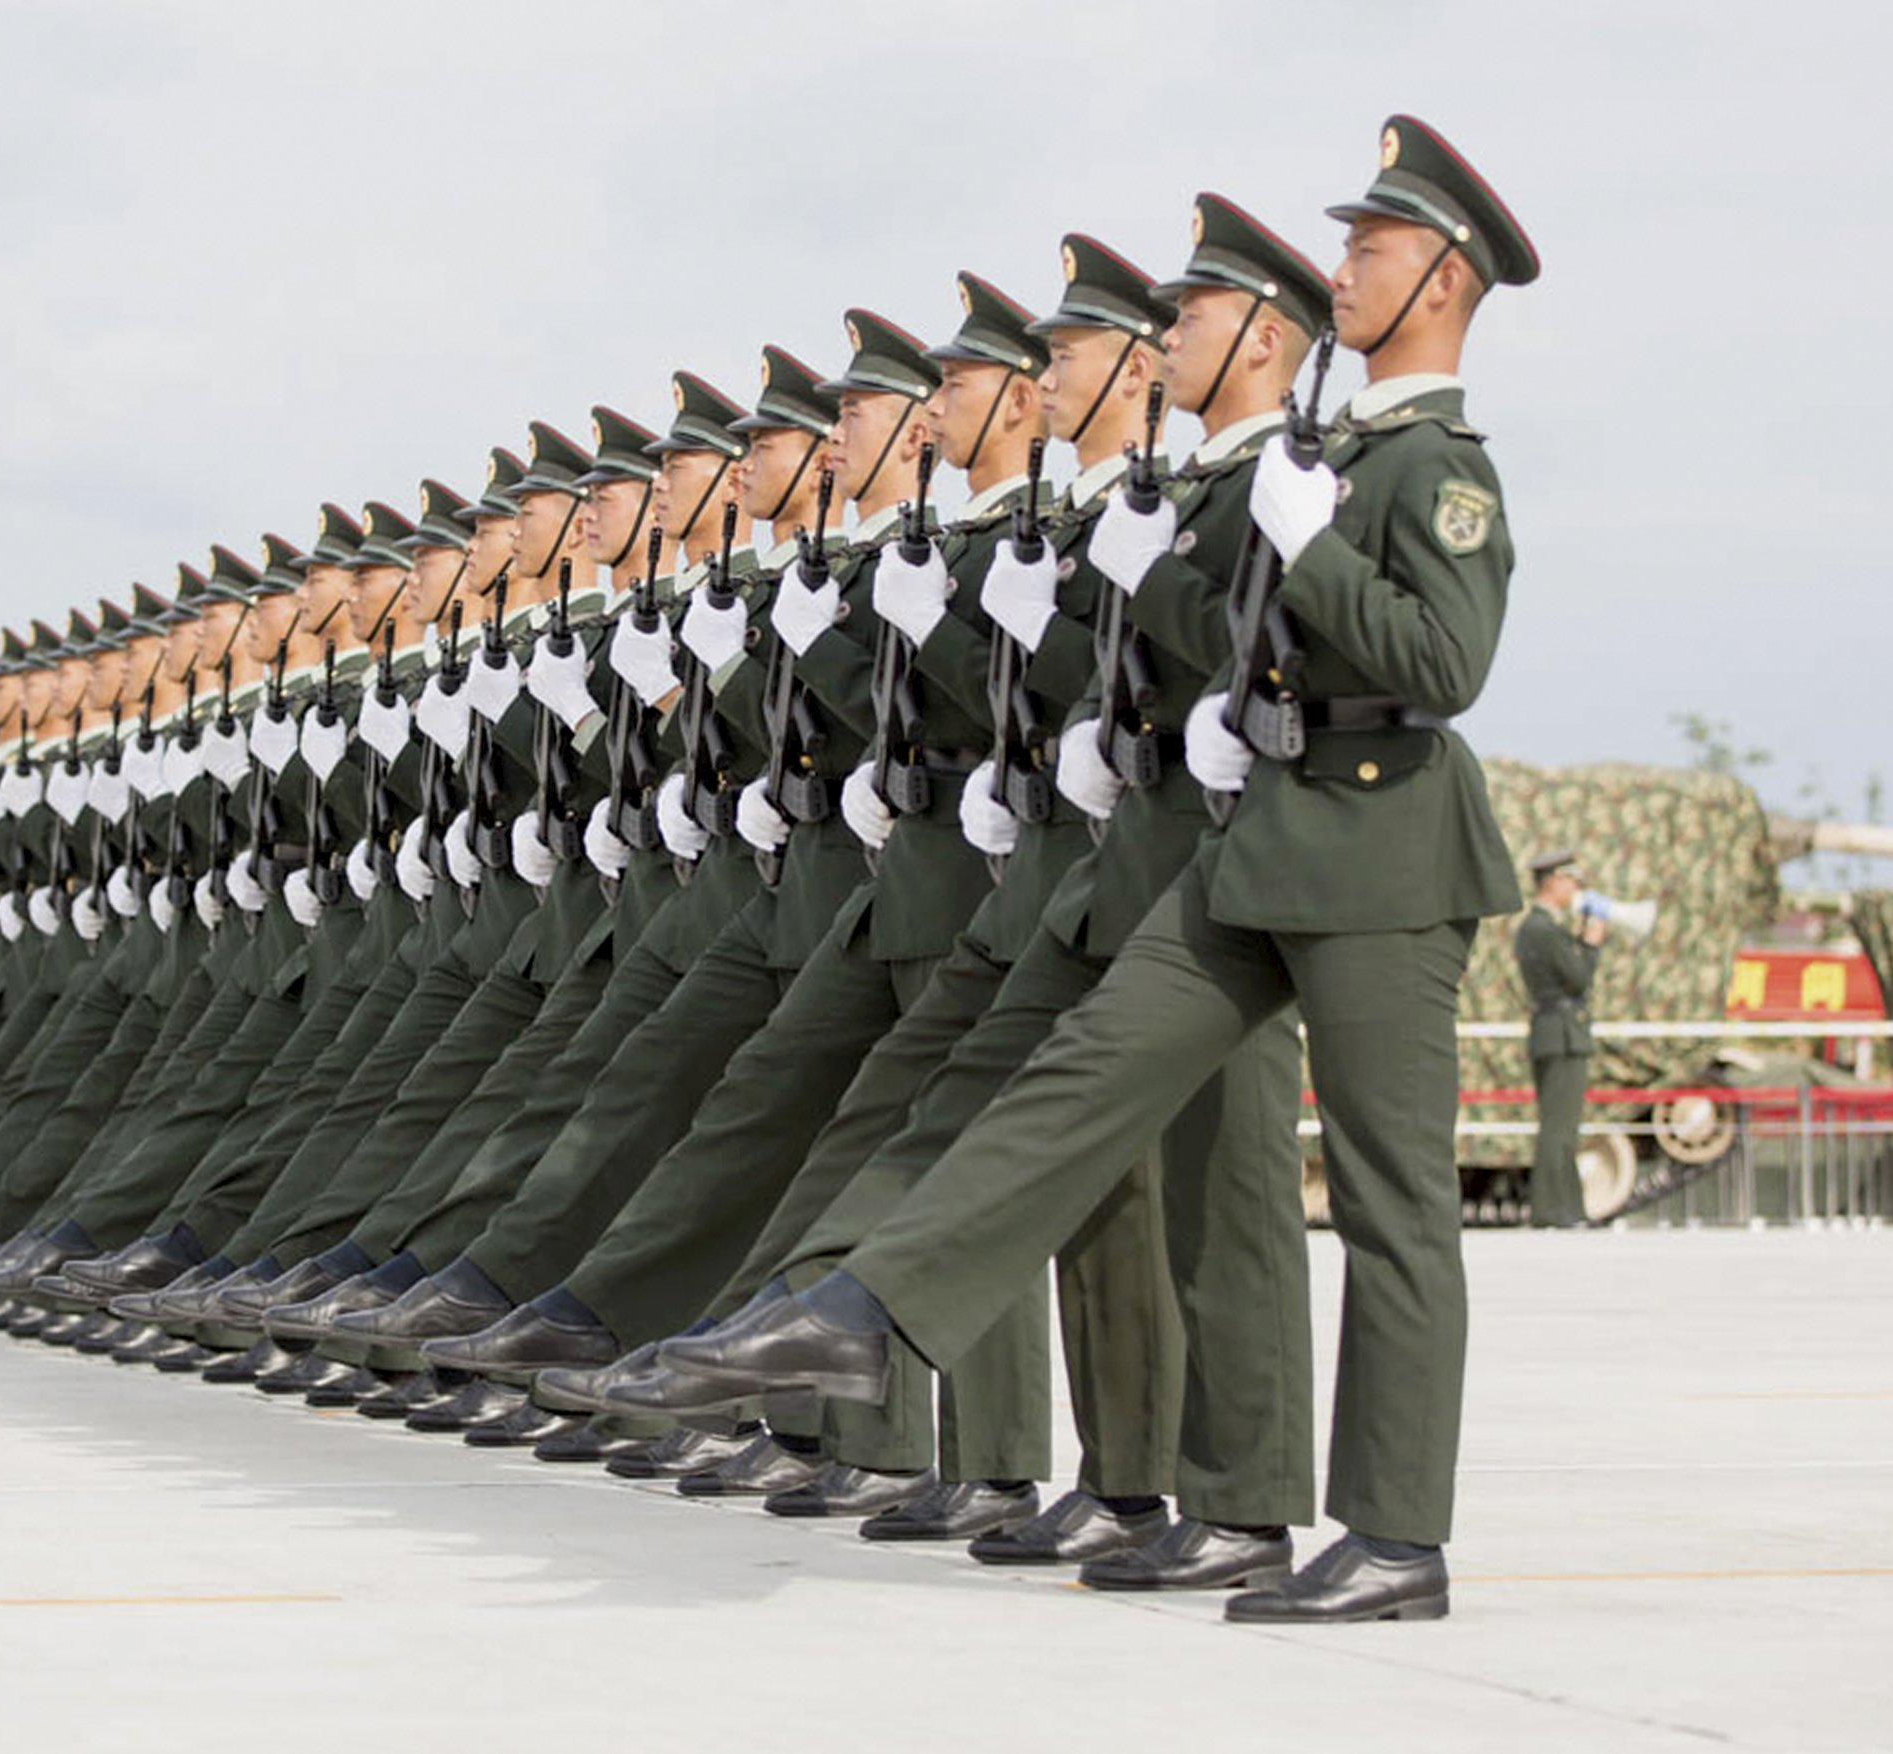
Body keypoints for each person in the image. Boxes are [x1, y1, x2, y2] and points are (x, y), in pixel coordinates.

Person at [652, 113, 1540, 1625]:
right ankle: (864, 1312)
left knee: (1395, 1208)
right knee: (1076, 1075)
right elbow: (1214, 643)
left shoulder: (1433, 470)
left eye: (1370, 250)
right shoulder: (1323, 464)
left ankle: (1394, 1536)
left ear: (1442, 281)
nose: (1345, 271)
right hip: (1263, 838)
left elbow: (1442, 664)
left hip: (1387, 847)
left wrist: (1307, 550)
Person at [1516, 848, 1606, 1227]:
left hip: (1555, 1031)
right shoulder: (1542, 929)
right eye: (1571, 880)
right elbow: (1578, 978)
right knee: (1559, 1128)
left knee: (1562, 1127)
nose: (1575, 889)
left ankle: (1568, 1208)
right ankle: (1554, 1210)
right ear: (1553, 881)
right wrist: (1589, 944)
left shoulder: (1538, 928)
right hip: (1561, 1033)